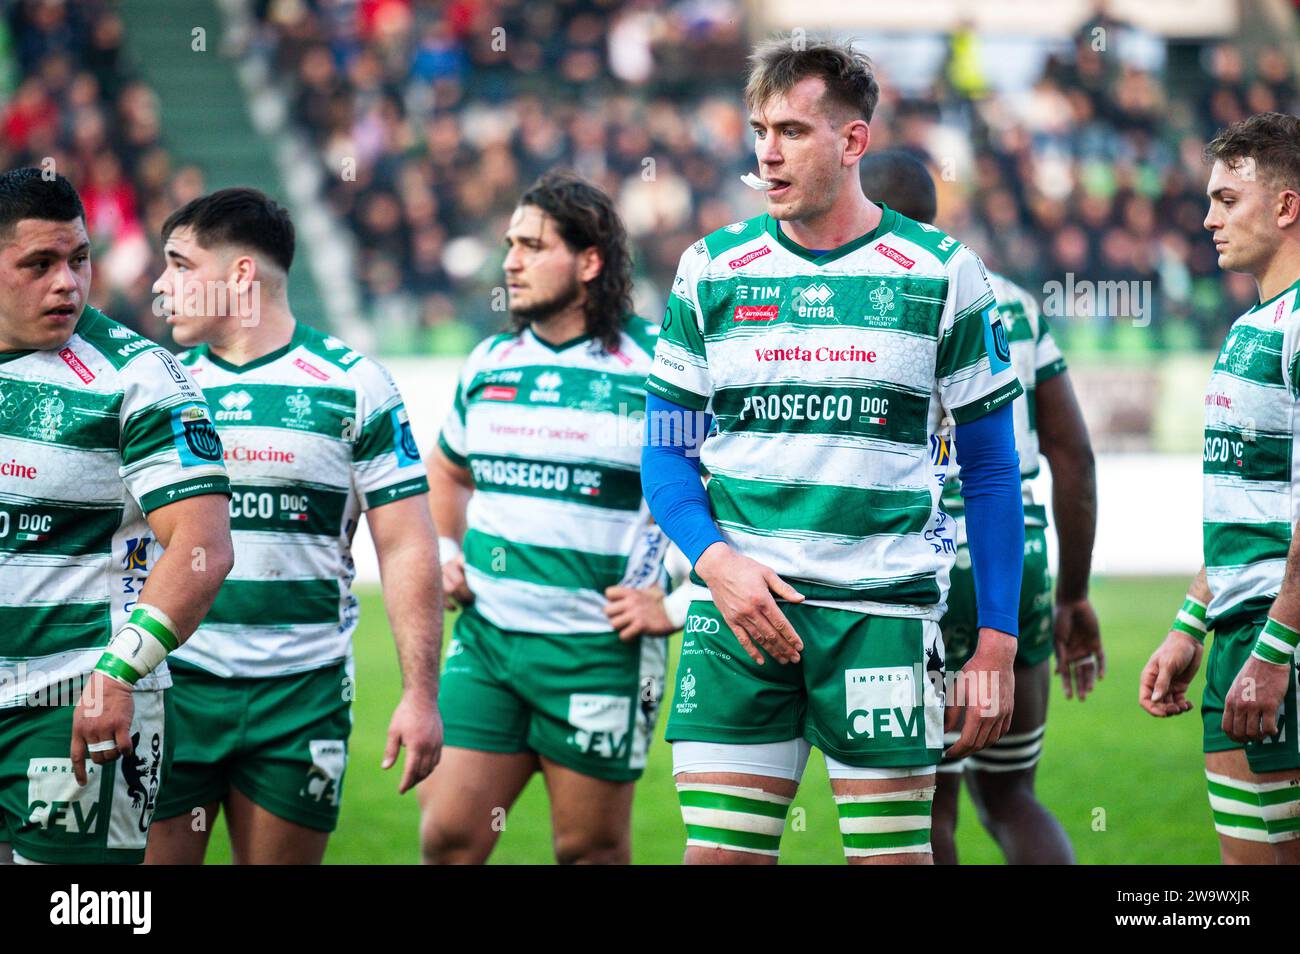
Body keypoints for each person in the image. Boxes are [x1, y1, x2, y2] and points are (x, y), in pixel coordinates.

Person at [641, 36, 1026, 865]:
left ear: (852, 142)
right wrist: (716, 564)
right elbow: (666, 452)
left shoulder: (942, 273)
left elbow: (993, 469)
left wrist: (996, 640)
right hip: (737, 618)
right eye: (757, 131)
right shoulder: (710, 269)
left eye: (790, 132)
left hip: (880, 619)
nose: (766, 154)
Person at [144, 188, 443, 865]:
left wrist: (421, 695)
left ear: (241, 275)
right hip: (172, 687)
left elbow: (404, 547)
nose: (163, 286)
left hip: (300, 699)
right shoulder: (156, 388)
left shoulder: (354, 386)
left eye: (182, 265)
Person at [417, 170, 675, 864]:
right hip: (490, 643)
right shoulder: (489, 362)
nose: (511, 261)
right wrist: (447, 548)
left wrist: (674, 600)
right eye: (509, 244)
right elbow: (446, 469)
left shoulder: (657, 368)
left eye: (532, 245)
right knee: (448, 837)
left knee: (586, 849)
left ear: (589, 261)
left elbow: (720, 490)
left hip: (598, 652)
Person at [860, 150, 1102, 864]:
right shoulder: (1011, 300)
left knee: (926, 809)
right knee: (1010, 795)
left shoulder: (859, 291)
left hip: (911, 548)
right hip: (1010, 551)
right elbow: (1074, 457)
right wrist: (1074, 595)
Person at [0, 167, 233, 865]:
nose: (67, 283)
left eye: (77, 259)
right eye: (37, 265)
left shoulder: (139, 378)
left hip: (74, 701)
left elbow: (204, 545)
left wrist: (120, 672)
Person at [1140, 112, 1300, 863]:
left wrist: (1276, 651)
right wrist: (1188, 624)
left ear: (1286, 205)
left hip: (1283, 637)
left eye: (1227, 199)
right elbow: (1248, 502)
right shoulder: (1247, 327)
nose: (1208, 218)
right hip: (1240, 635)